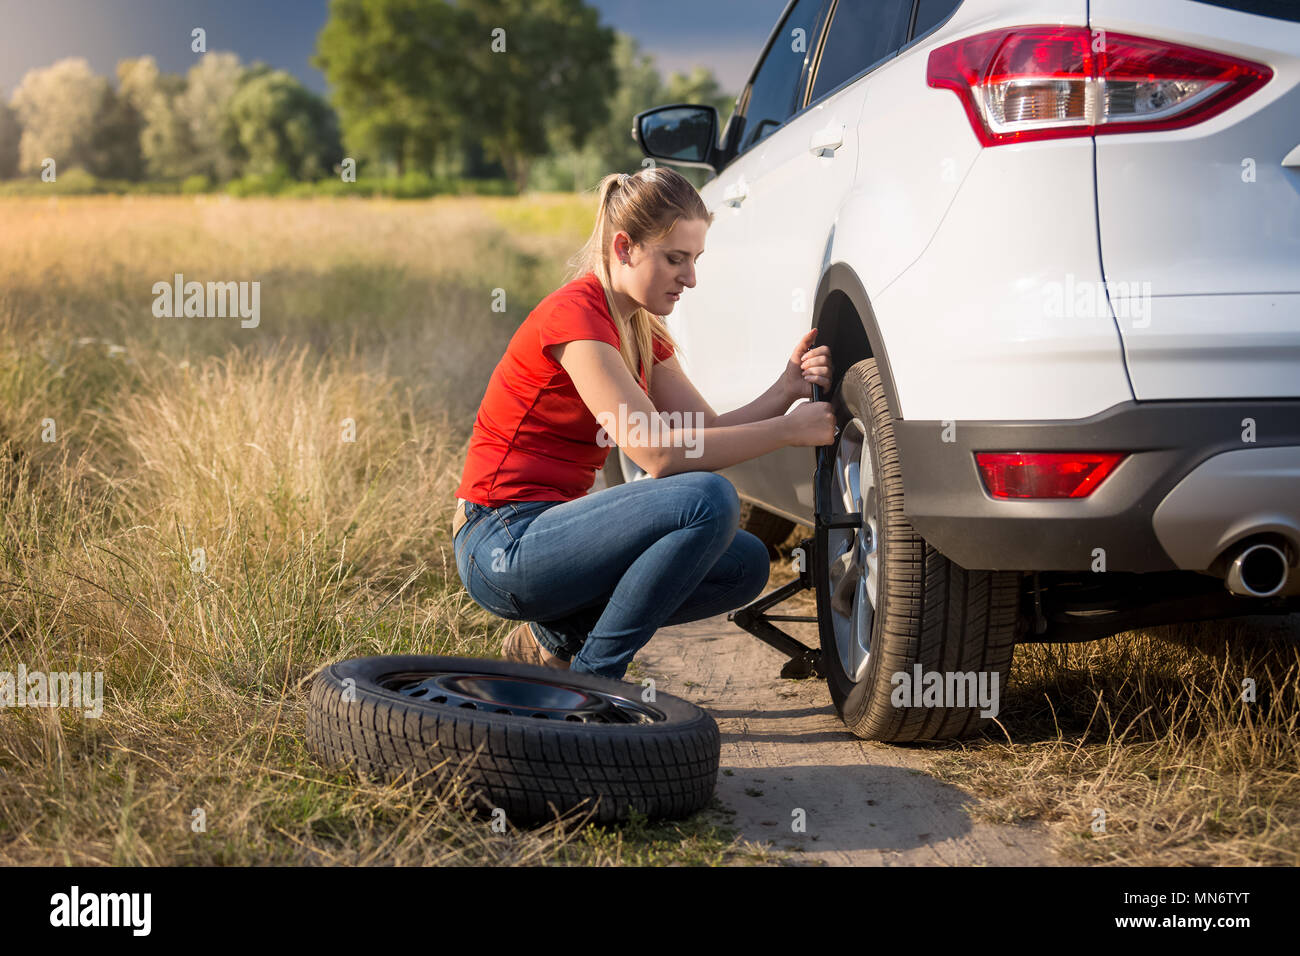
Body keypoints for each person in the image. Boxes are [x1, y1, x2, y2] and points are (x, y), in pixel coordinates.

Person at [452, 165, 835, 681]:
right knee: (709, 500)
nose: (691, 278)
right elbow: (657, 456)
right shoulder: (576, 316)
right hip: (500, 542)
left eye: (696, 260)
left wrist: (785, 390)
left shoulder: (640, 328)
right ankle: (593, 681)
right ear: (625, 247)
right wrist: (788, 431)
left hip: (551, 535)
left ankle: (553, 639)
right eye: (675, 259)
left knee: (744, 562)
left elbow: (709, 433)